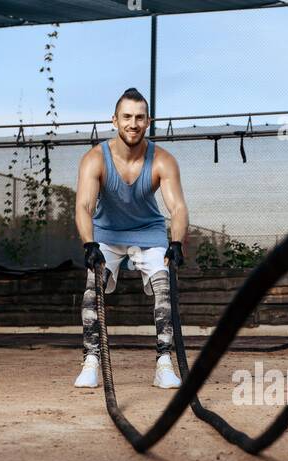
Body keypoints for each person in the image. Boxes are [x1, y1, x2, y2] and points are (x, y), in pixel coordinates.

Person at [73, 87, 189, 390]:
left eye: (139, 118)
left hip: (148, 231)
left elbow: (177, 207)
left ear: (148, 121)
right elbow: (84, 206)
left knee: (164, 283)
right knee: (92, 284)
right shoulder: (94, 158)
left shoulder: (163, 160)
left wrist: (176, 242)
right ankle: (91, 362)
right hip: (107, 232)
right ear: (114, 120)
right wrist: (89, 244)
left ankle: (164, 364)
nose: (133, 124)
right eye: (126, 117)